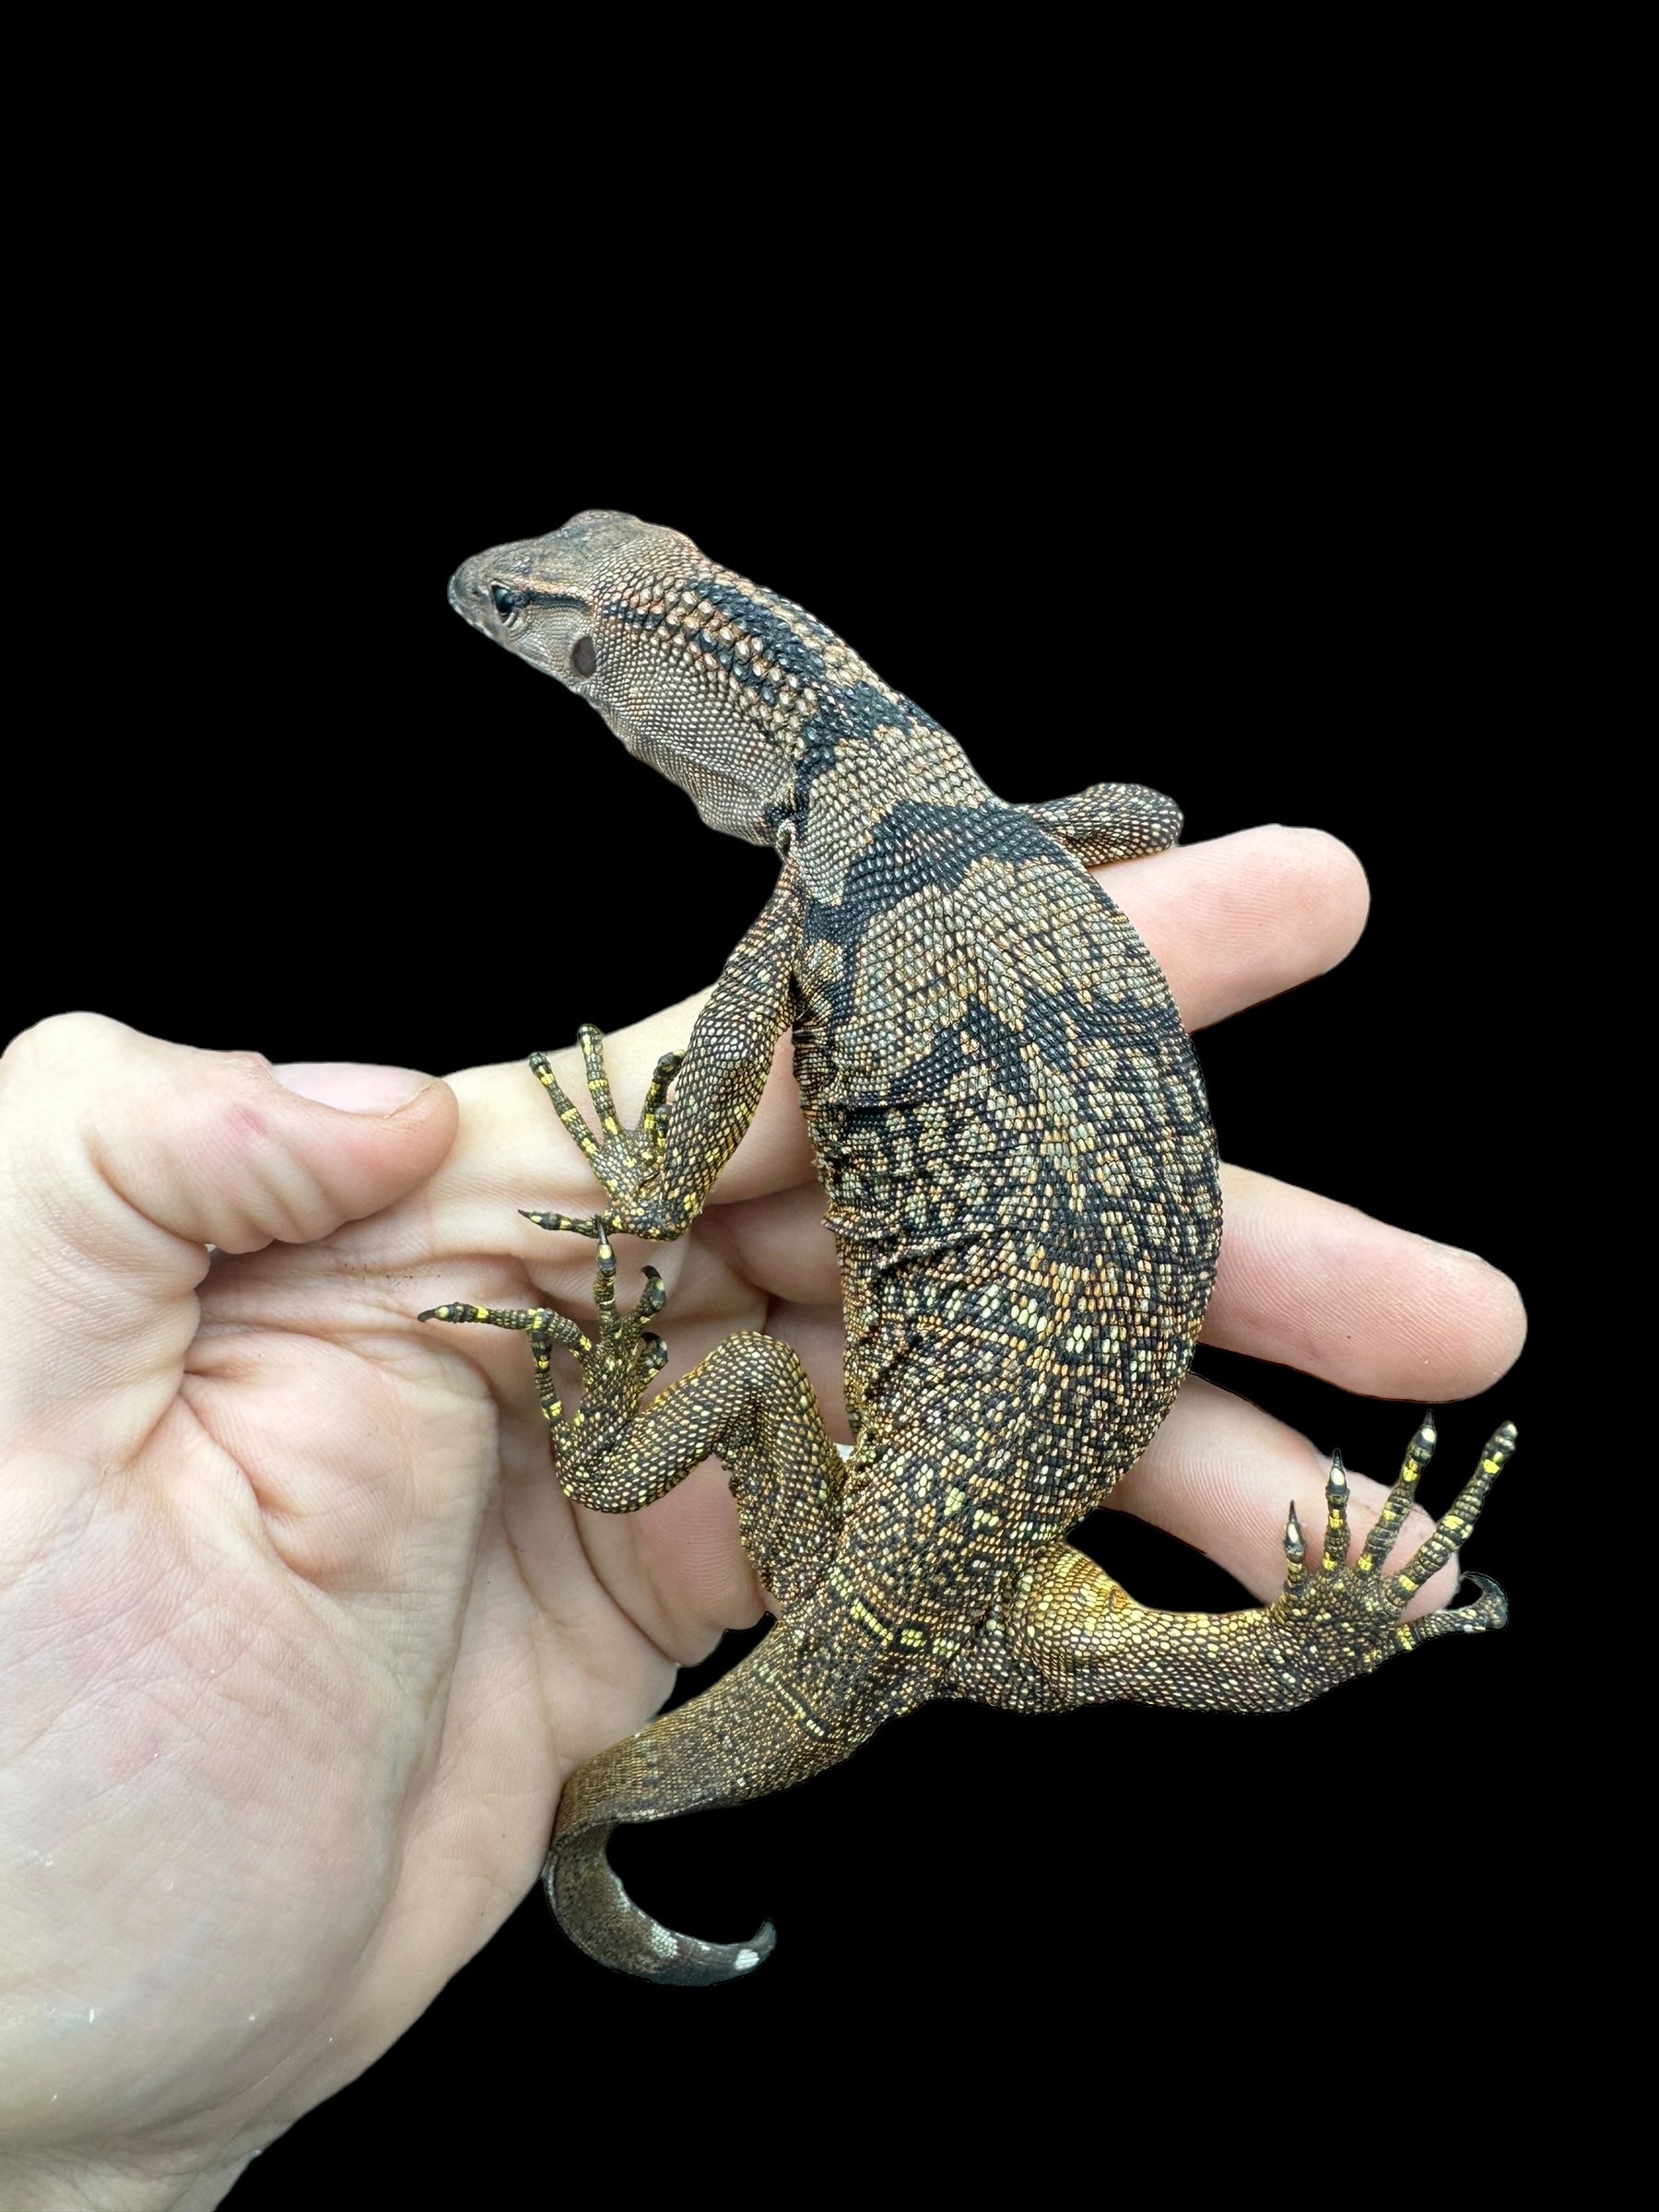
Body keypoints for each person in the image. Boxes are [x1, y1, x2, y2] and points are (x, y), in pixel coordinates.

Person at [0, 826, 1524, 2209]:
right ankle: (606, 1514)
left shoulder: (852, 877)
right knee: (797, 1413)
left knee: (742, 1377)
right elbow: (1184, 1666)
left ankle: (598, 1468)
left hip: (887, 1543)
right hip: (956, 1564)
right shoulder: (1024, 1639)